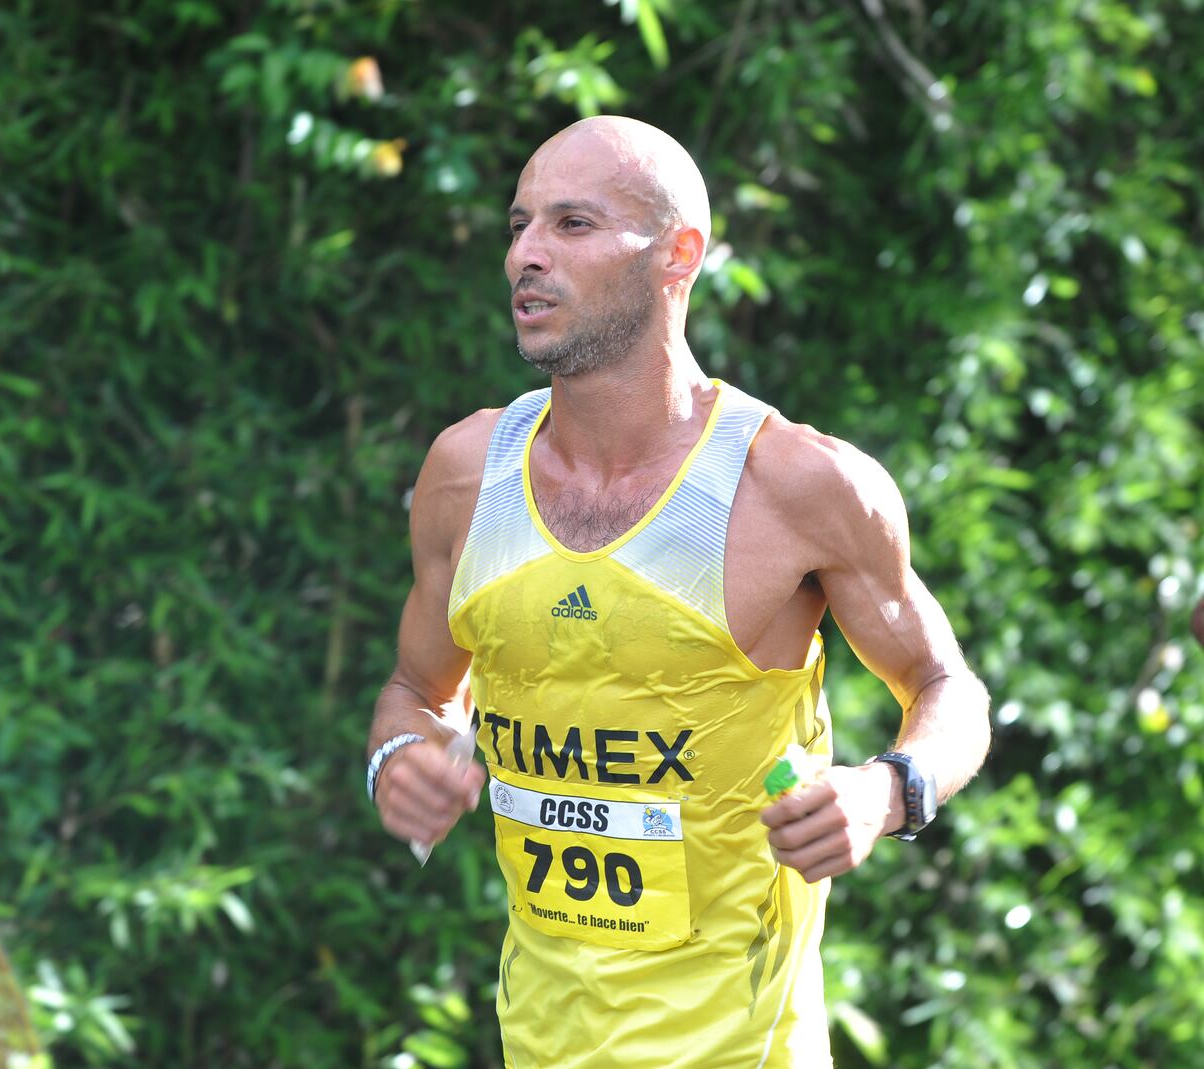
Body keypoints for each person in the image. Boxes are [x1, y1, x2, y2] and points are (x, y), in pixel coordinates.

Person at [365, 115, 991, 1068]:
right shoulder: (466, 472)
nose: (525, 255)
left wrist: (884, 791)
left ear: (678, 255)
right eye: (519, 223)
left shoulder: (799, 486)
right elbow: (415, 694)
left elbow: (950, 687)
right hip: (536, 1042)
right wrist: (400, 760)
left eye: (571, 224)